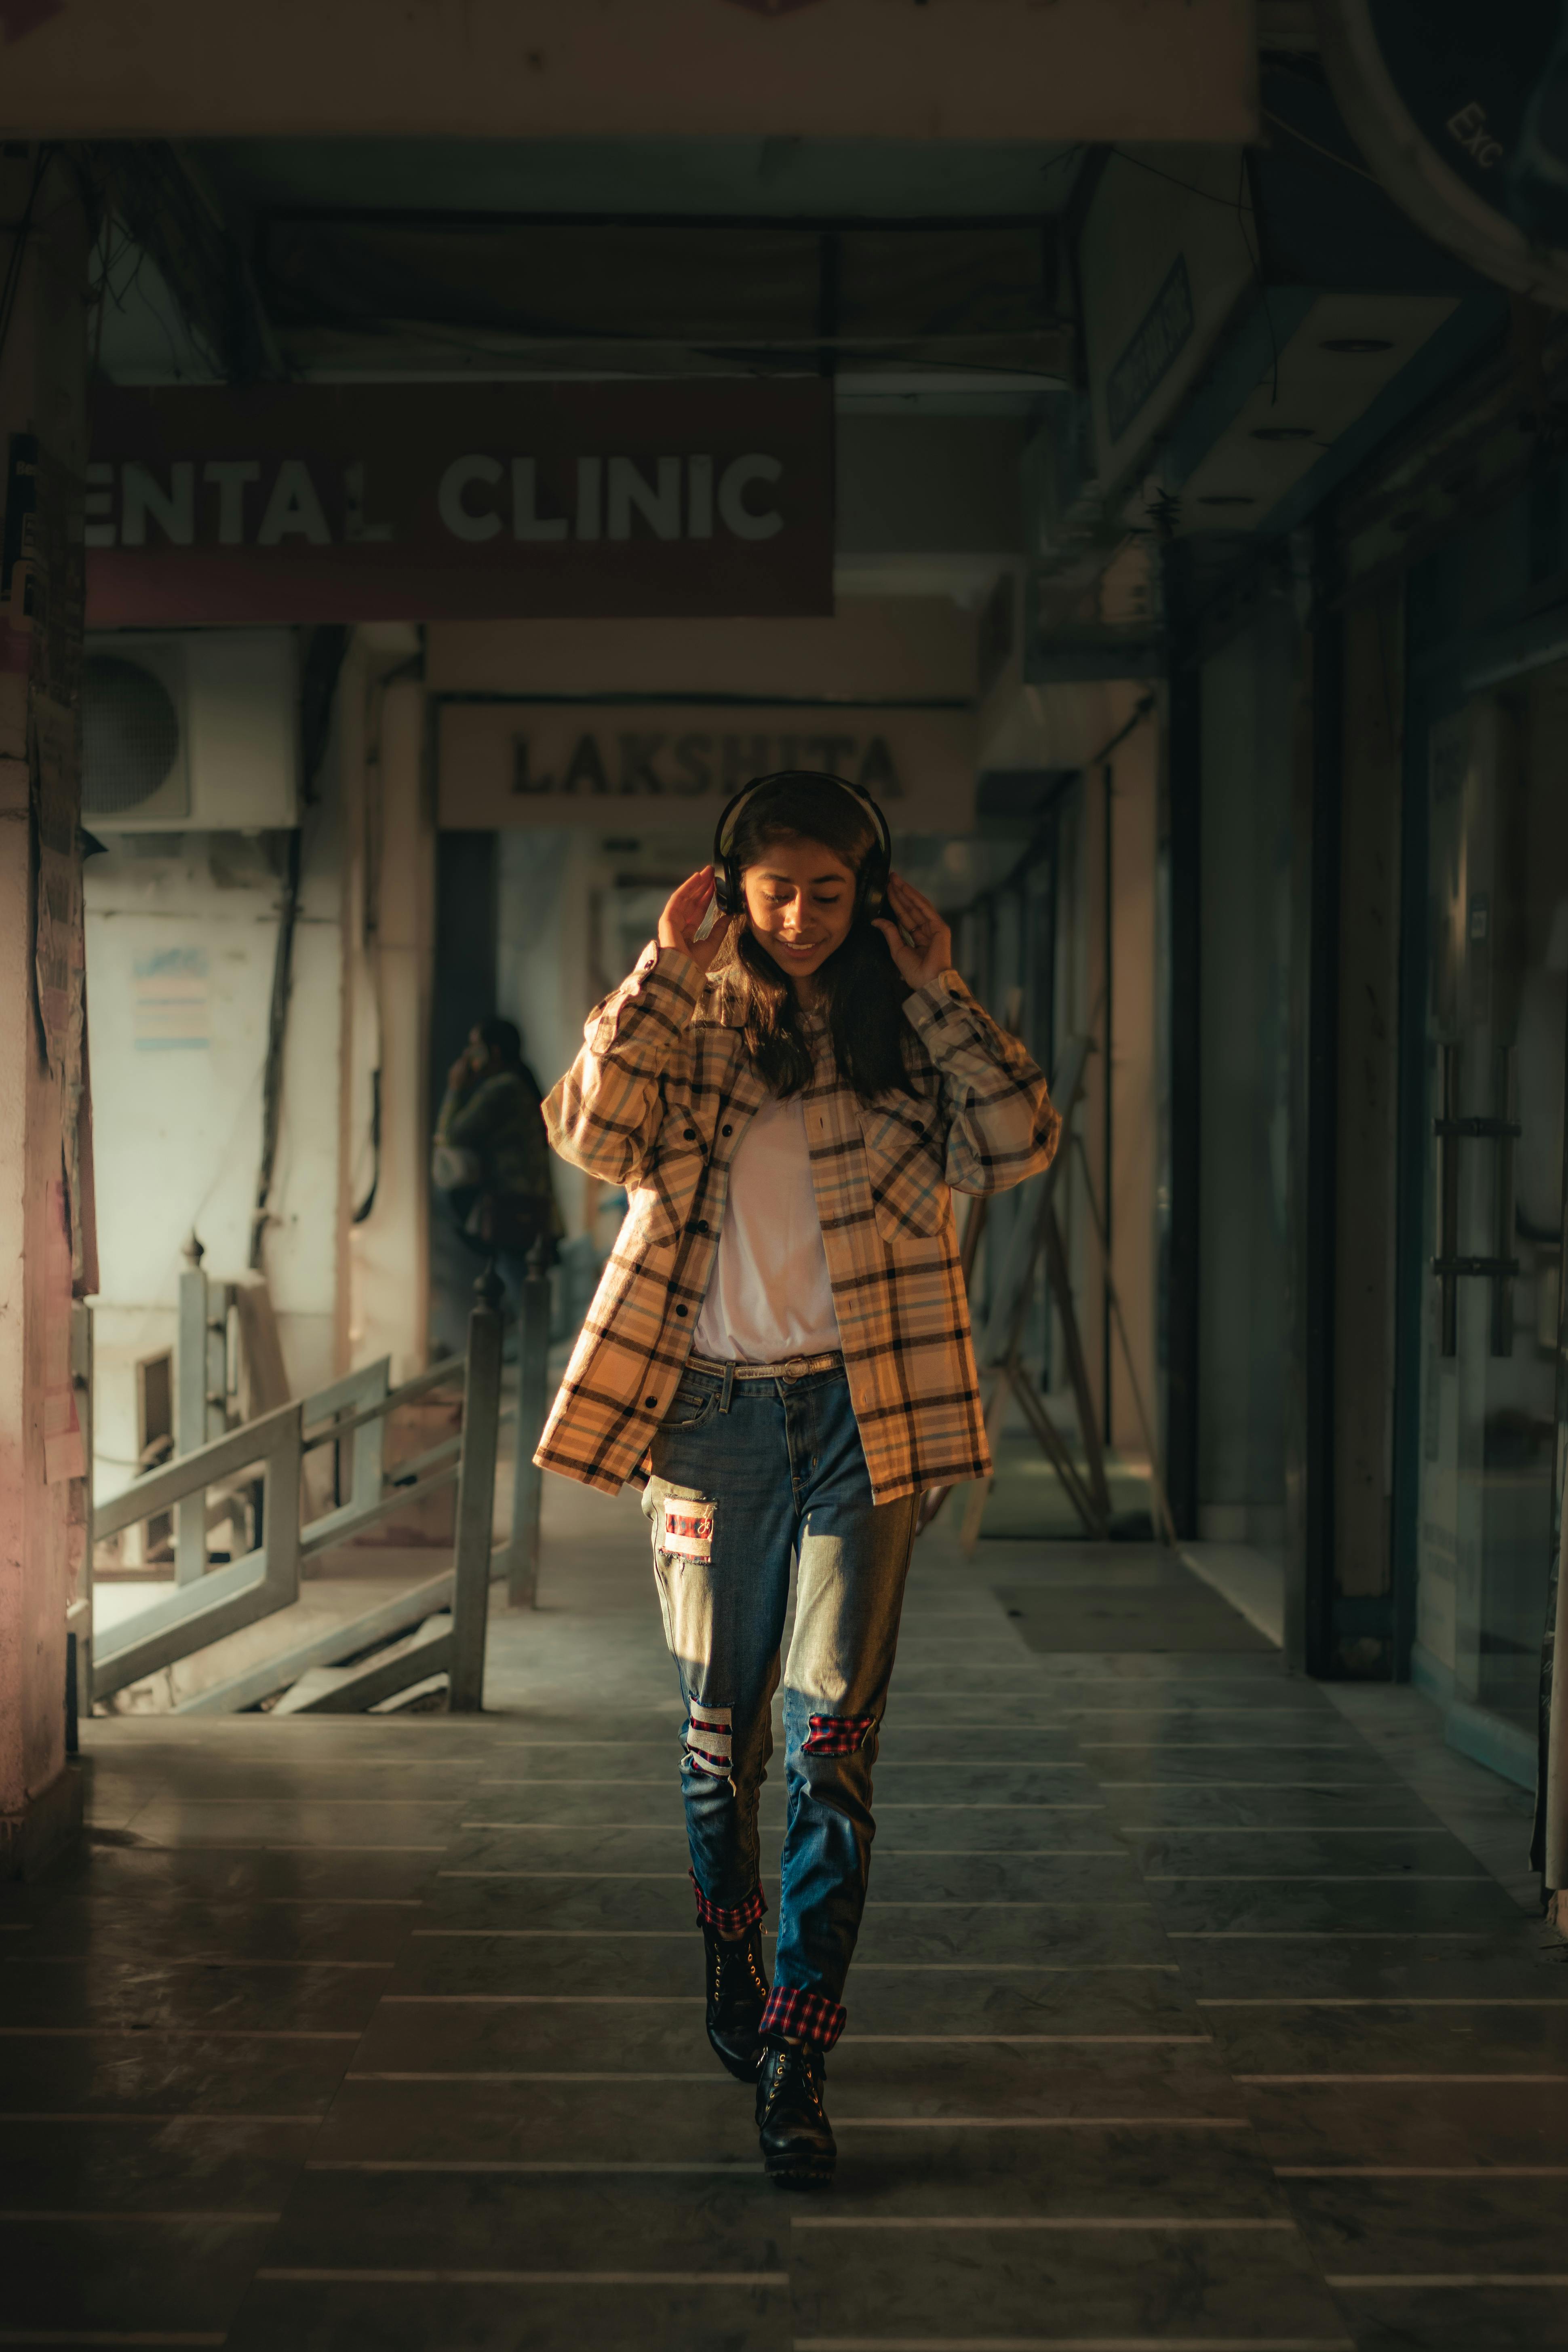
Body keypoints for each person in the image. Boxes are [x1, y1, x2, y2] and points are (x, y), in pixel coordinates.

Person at [535, 773, 1059, 2188]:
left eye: (833, 891)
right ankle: (730, 1951)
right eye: (778, 889)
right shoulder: (694, 1027)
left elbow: (1019, 1141)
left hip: (863, 1426)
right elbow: (585, 1131)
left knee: (836, 1747)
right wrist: (661, 962)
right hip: (709, 1423)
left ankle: (797, 2048)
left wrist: (940, 988)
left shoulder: (903, 1037)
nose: (804, 916)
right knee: (720, 1739)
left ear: (874, 894)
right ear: (732, 890)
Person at [432, 1015, 561, 1324]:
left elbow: (451, 1136)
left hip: (509, 1206)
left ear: (495, 1051)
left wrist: (455, 1089)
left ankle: (531, 1358)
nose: (469, 1057)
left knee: (516, 1282)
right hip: (525, 1203)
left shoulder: (503, 1088)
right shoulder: (521, 1082)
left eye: (475, 1048)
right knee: (518, 1281)